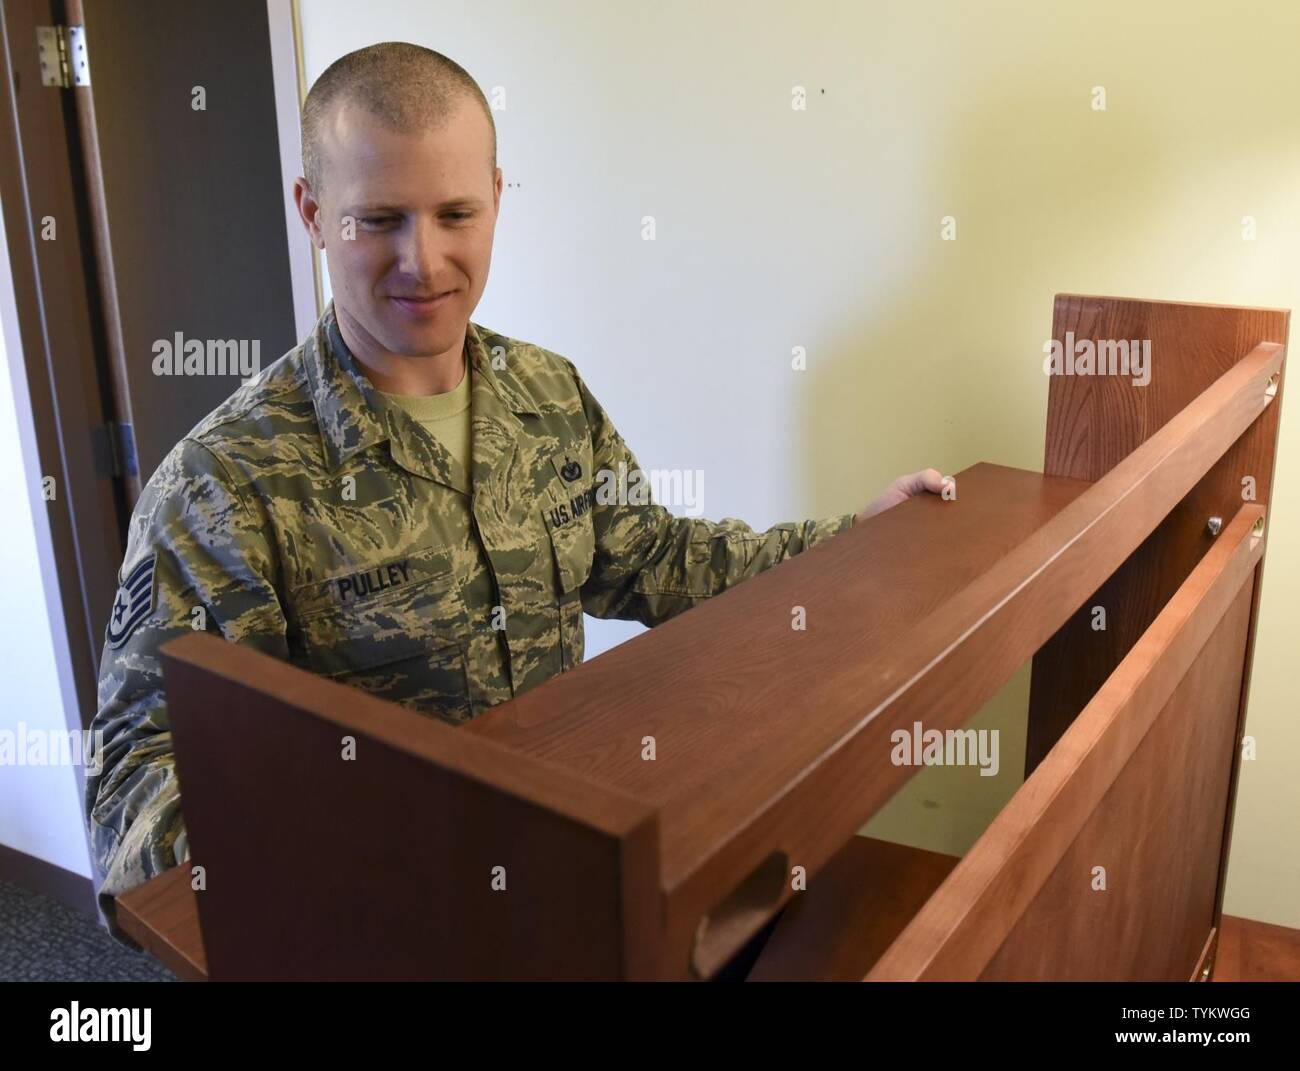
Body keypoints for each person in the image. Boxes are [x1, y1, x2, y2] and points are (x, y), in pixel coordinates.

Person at [85, 42, 945, 955]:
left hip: (565, 885)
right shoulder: (225, 480)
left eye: (456, 213)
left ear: (497, 195)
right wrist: (338, 869)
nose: (424, 260)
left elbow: (656, 560)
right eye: (379, 220)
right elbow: (135, 798)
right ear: (313, 212)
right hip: (393, 934)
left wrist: (852, 536)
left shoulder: (548, 396)